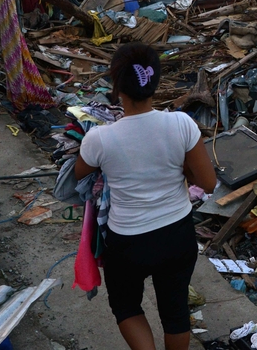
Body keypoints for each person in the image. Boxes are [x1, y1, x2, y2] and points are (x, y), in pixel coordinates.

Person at [74, 43, 218, 350]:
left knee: (126, 306)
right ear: (155, 82)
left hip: (129, 242)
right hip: (177, 235)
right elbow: (208, 183)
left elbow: (78, 173)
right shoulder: (181, 123)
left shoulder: (99, 138)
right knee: (175, 312)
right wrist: (182, 168)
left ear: (117, 87)